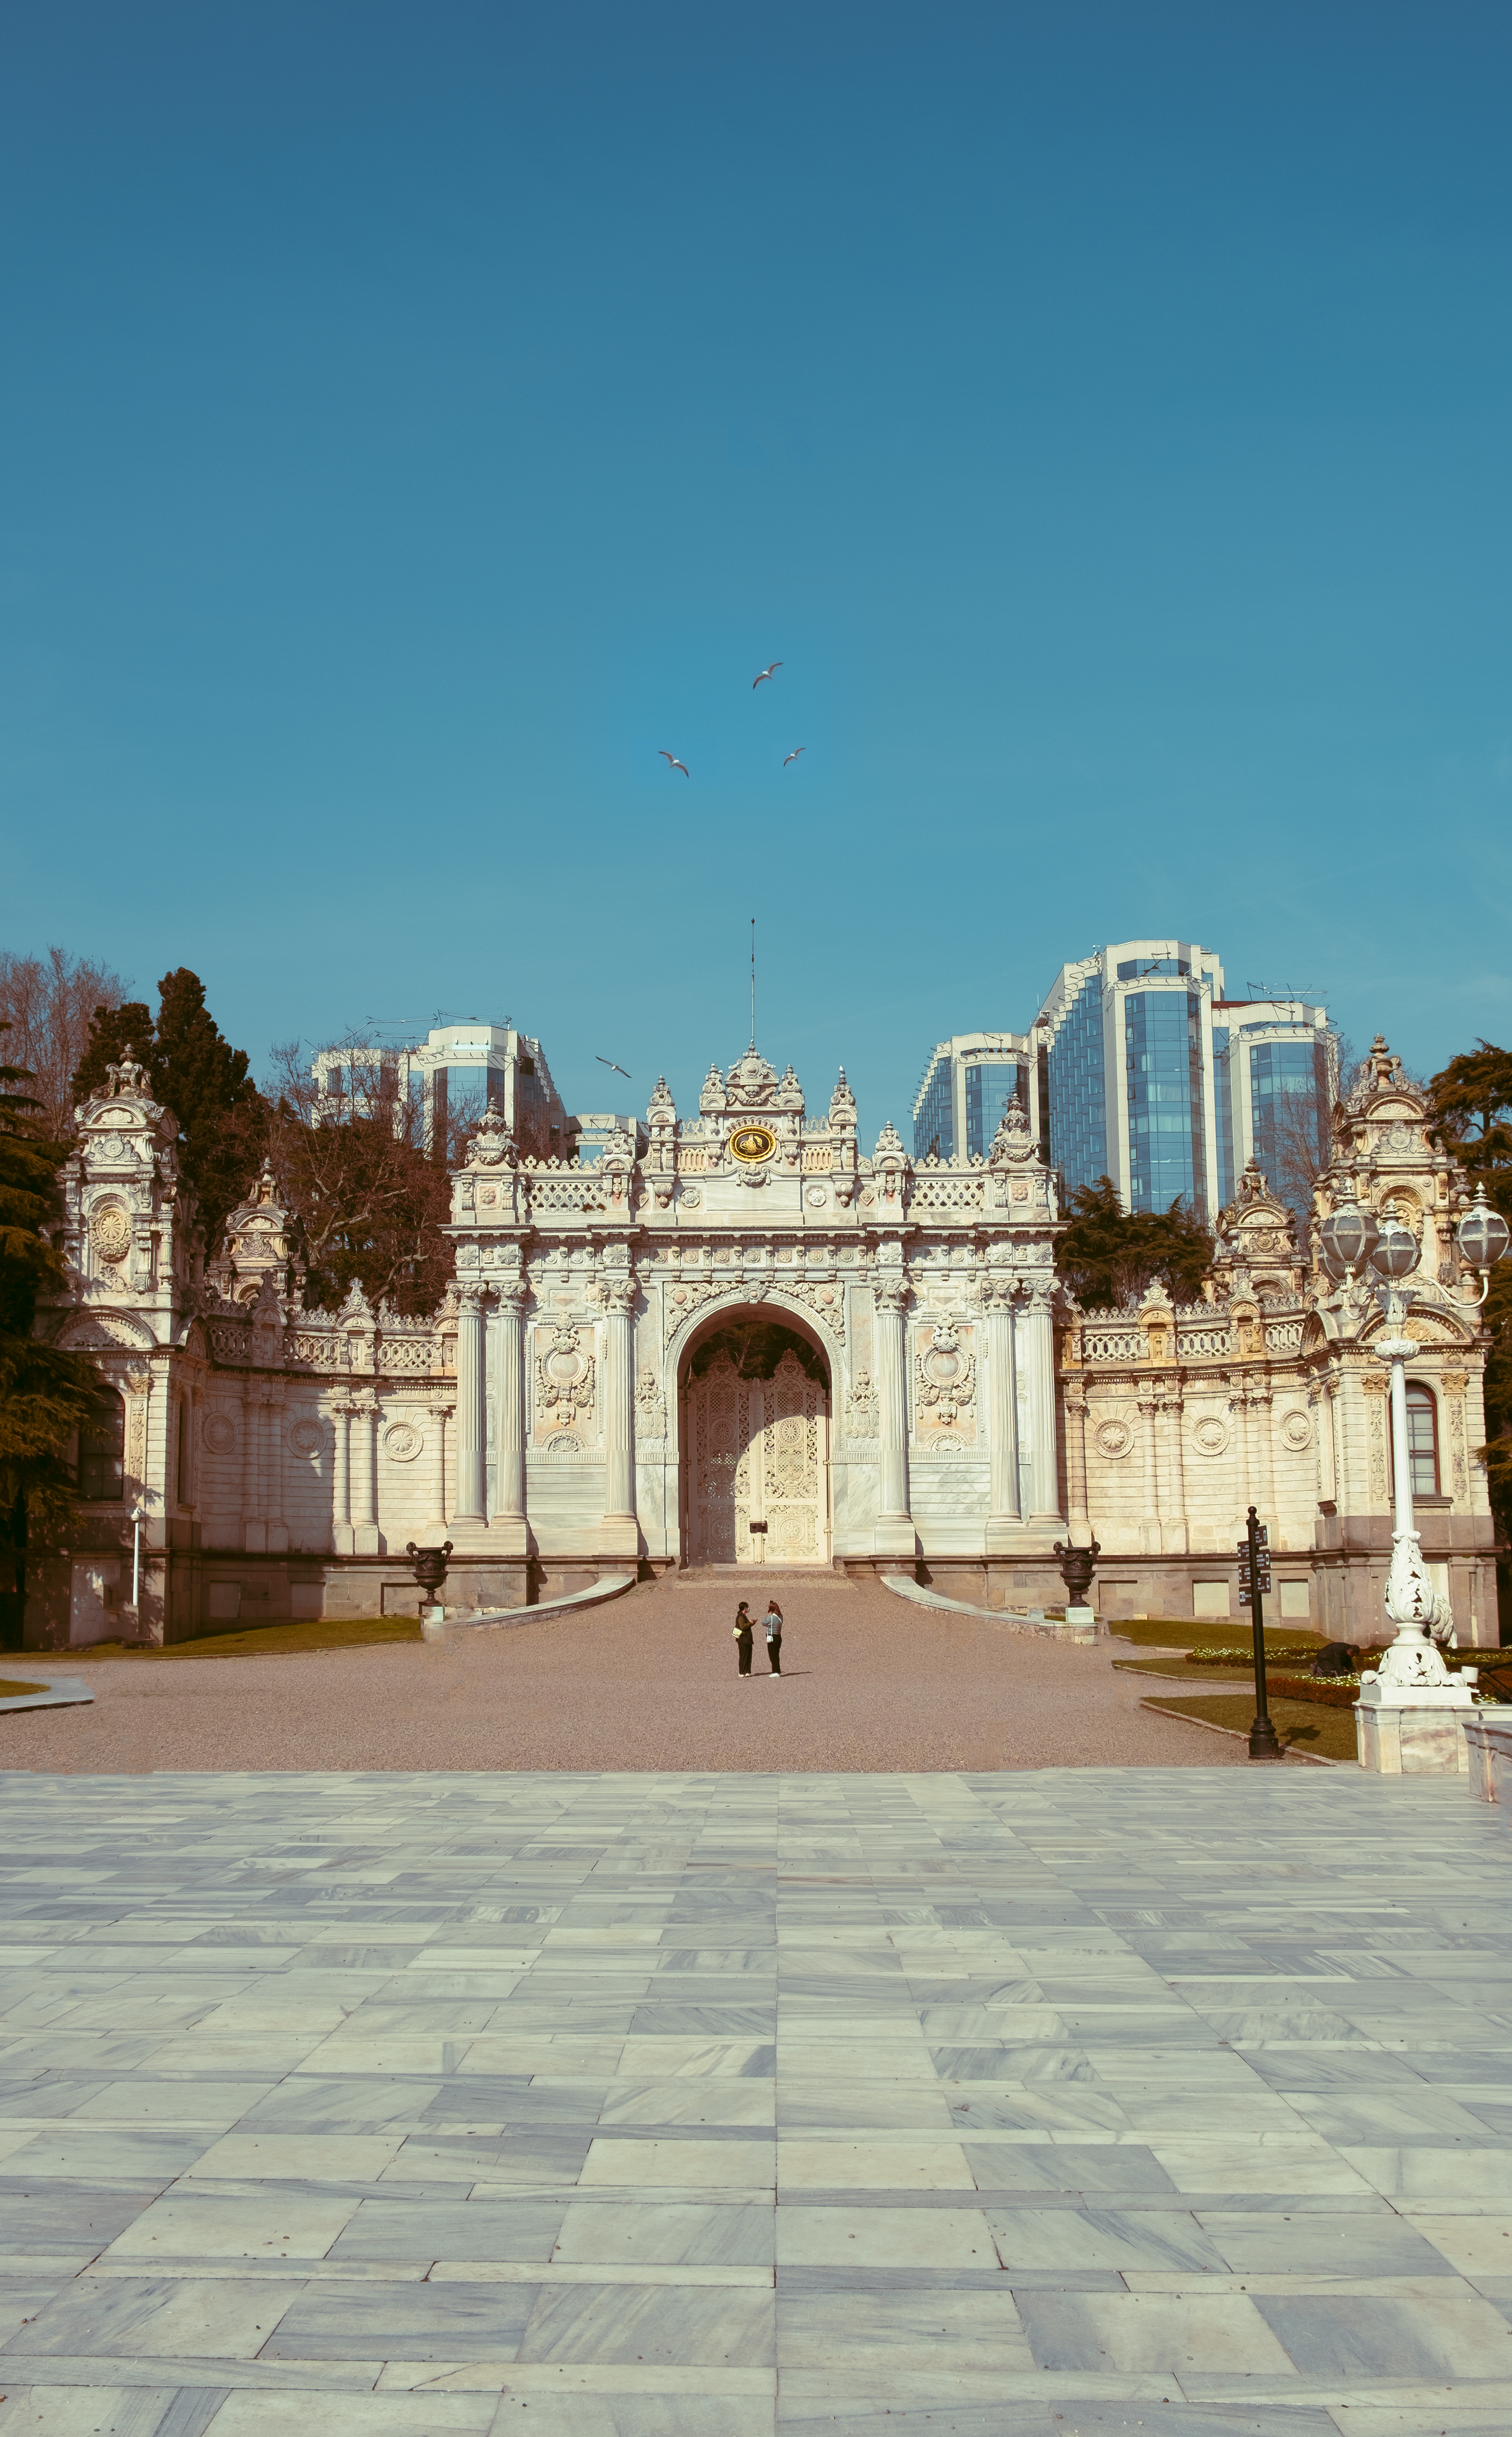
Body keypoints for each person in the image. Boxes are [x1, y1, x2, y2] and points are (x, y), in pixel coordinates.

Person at [763, 1598, 783, 1675]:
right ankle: (776, 1671)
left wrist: (768, 1615)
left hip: (772, 1638)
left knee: (773, 1656)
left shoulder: (771, 1618)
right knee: (776, 1655)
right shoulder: (781, 1616)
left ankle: (776, 1671)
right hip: (778, 1637)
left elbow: (764, 1622)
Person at [733, 1601, 753, 1677]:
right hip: (743, 1640)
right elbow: (743, 1627)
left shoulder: (743, 1616)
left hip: (747, 1640)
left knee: (748, 1655)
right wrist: (750, 1623)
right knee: (743, 1656)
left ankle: (747, 1671)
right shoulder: (741, 1617)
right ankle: (742, 1672)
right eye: (747, 1607)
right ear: (745, 1608)